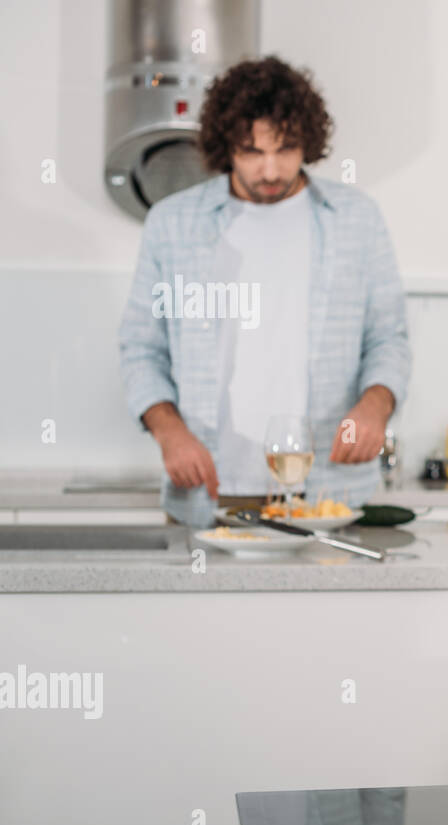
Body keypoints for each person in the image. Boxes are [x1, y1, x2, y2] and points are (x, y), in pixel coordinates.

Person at [118, 56, 410, 526]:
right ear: (225, 145)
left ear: (309, 142)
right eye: (252, 152)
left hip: (326, 497)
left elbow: (389, 338)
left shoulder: (357, 219)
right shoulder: (172, 225)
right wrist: (169, 432)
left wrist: (375, 405)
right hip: (208, 496)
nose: (271, 169)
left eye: (287, 148)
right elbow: (140, 347)